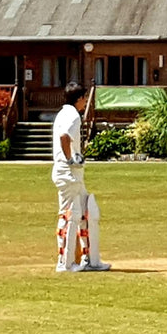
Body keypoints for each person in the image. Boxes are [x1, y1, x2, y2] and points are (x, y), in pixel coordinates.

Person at [52, 81, 110, 272]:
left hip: (72, 174)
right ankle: (65, 263)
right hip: (68, 174)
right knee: (72, 215)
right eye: (84, 98)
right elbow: (64, 137)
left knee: (89, 212)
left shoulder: (63, 113)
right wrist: (70, 159)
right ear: (79, 98)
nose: (86, 102)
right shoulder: (72, 115)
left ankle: (91, 260)